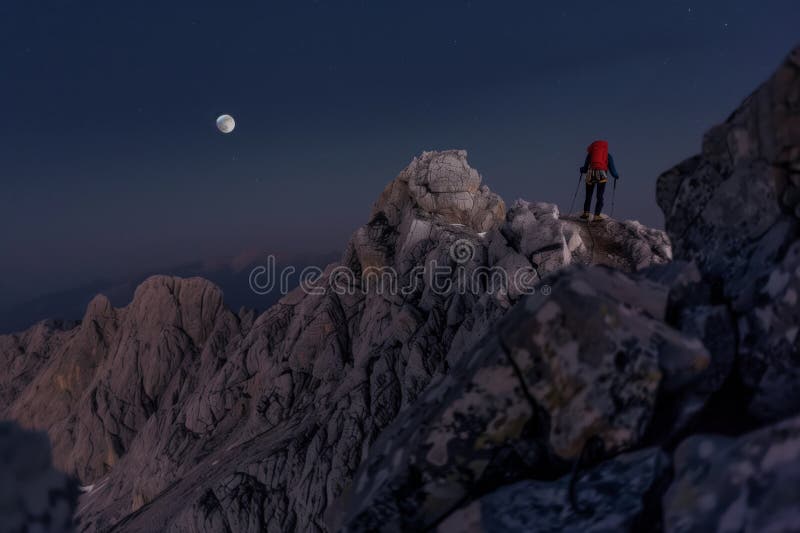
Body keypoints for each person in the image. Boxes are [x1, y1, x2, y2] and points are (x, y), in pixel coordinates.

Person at [578, 140, 619, 220]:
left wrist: (581, 170)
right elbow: (612, 169)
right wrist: (616, 176)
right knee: (599, 196)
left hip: (590, 175)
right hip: (601, 176)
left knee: (588, 195)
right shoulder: (607, 155)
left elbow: (585, 168)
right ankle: (597, 215)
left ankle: (586, 213)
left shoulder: (590, 155)